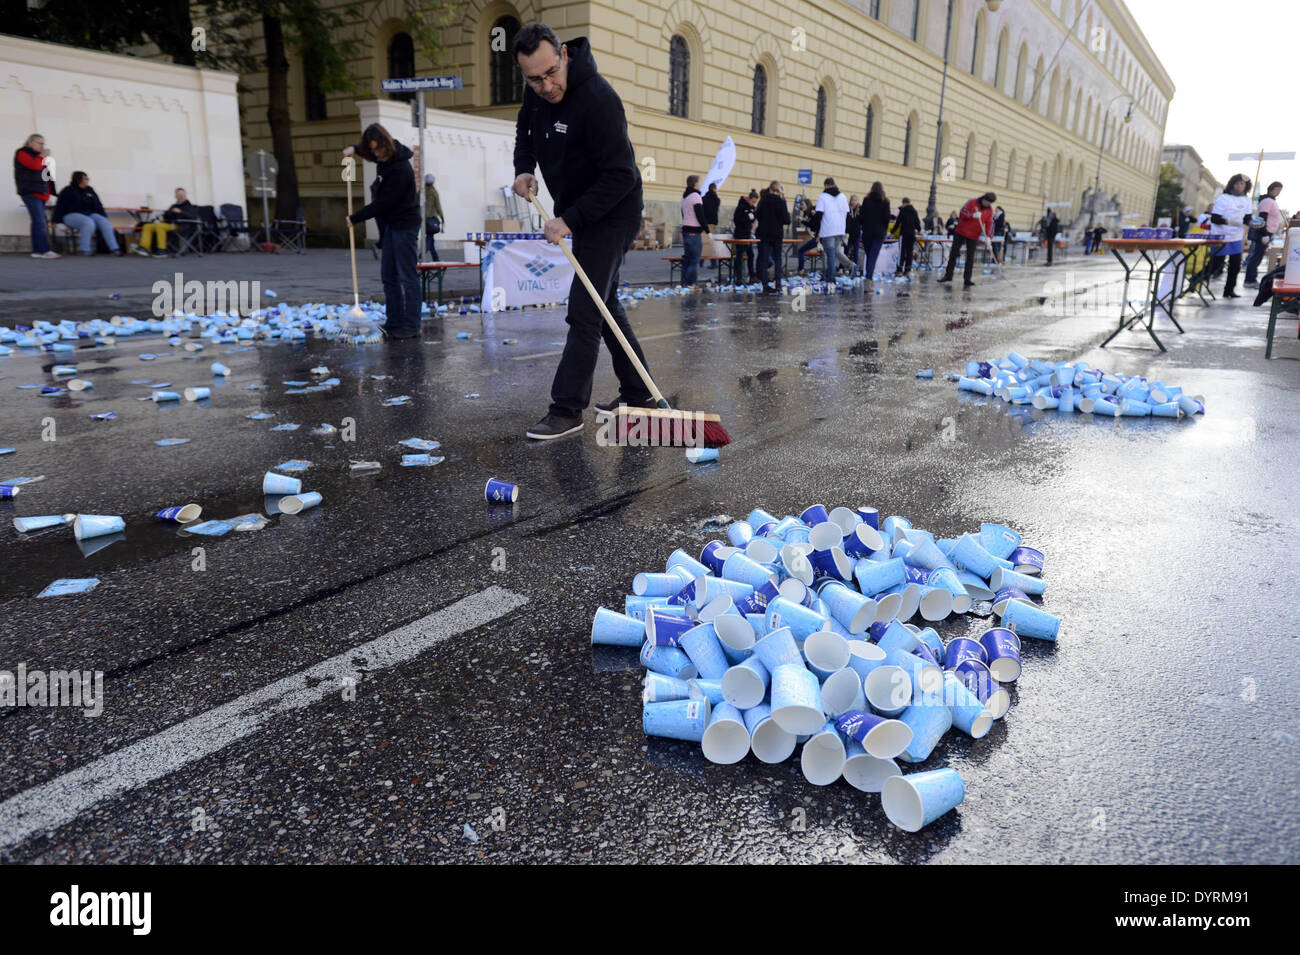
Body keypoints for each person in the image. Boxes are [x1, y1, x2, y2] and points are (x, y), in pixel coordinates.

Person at [510, 22, 654, 439]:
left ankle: (567, 408)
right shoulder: (535, 91)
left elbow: (622, 176)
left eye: (551, 73)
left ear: (564, 55)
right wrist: (524, 168)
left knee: (585, 309)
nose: (545, 85)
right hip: (578, 210)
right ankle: (639, 393)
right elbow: (526, 128)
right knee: (603, 301)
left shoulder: (599, 99)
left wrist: (568, 219)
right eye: (534, 78)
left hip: (615, 212)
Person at [344, 123, 421, 337]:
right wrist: (354, 149)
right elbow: (367, 153)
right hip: (390, 225)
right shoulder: (381, 158)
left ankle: (412, 326)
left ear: (387, 145)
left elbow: (383, 203)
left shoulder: (400, 168)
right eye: (373, 150)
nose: (377, 154)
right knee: (389, 275)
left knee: (407, 276)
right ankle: (394, 321)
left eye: (380, 149)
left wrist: (355, 218)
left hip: (405, 224)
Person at [52, 171, 122, 256]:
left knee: (104, 221)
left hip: (89, 214)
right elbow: (60, 206)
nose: (87, 180)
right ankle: (84, 249)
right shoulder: (68, 190)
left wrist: (103, 215)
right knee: (88, 222)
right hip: (71, 215)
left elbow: (98, 204)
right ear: (79, 179)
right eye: (85, 178)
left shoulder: (89, 190)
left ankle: (114, 249)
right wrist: (58, 221)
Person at [14, 133, 59, 259]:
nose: (42, 146)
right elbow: (34, 166)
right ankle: (45, 250)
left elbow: (46, 175)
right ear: (31, 142)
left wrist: (50, 192)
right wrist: (42, 156)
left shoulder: (39, 157)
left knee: (37, 222)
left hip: (40, 193)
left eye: (43, 143)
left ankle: (37, 251)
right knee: (40, 222)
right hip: (30, 192)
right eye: (40, 143)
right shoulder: (22, 153)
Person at [938, 191, 995, 288]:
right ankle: (948, 275)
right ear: (984, 199)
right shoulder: (972, 202)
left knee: (970, 257)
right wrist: (972, 215)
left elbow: (990, 223)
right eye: (987, 202)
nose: (988, 204)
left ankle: (967, 279)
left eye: (990, 203)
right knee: (954, 253)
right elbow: (962, 212)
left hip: (974, 235)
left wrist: (989, 237)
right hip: (961, 231)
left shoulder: (989, 210)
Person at [1209, 173, 1252, 298]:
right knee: (1215, 266)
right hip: (1221, 236)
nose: (1239, 186)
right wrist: (1229, 222)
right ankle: (1194, 281)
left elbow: (1247, 218)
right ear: (1232, 184)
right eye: (1237, 183)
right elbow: (1215, 218)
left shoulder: (1247, 200)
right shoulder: (1224, 198)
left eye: (1242, 184)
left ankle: (1229, 290)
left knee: (1235, 266)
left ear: (1246, 186)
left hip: (1236, 237)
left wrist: (1254, 223)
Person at [1244, 180, 1283, 288]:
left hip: (1267, 233)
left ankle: (1251, 278)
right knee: (1256, 257)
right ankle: (1249, 280)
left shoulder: (1271, 201)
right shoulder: (1267, 201)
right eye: (1278, 190)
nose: (1279, 192)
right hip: (1263, 233)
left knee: (1258, 256)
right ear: (1272, 189)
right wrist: (1264, 234)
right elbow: (1262, 217)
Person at [134, 187, 193, 257]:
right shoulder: (174, 206)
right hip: (168, 224)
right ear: (175, 196)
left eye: (182, 195)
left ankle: (162, 250)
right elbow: (166, 215)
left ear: (185, 195)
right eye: (178, 195)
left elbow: (192, 216)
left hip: (180, 225)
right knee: (147, 226)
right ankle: (144, 247)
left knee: (160, 226)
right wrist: (169, 213)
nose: (180, 197)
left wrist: (181, 212)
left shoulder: (189, 206)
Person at [756, 180, 790, 294]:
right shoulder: (781, 202)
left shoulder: (763, 201)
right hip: (777, 234)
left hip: (765, 234)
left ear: (770, 189)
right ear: (779, 190)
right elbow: (786, 220)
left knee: (764, 260)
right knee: (778, 259)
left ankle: (765, 284)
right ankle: (778, 284)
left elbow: (757, 216)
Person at [814, 177, 848, 283]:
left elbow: (819, 214)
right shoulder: (843, 196)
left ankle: (831, 278)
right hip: (840, 229)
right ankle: (831, 276)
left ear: (826, 186)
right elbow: (847, 213)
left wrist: (817, 231)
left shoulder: (823, 197)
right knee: (834, 254)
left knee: (831, 255)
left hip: (828, 229)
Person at [859, 181, 891, 286]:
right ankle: (869, 279)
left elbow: (862, 216)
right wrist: (884, 230)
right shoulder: (885, 201)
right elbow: (887, 218)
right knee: (873, 256)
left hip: (867, 232)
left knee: (869, 256)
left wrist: (864, 226)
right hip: (879, 233)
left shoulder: (866, 200)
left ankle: (868, 277)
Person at [680, 175, 707, 287]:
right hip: (694, 231)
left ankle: (684, 284)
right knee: (695, 260)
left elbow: (683, 213)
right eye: (699, 183)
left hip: (686, 230)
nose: (700, 185)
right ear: (695, 184)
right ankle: (692, 284)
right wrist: (707, 229)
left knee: (687, 259)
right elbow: (700, 214)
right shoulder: (696, 196)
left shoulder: (684, 197)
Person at [731, 190, 757, 283]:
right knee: (740, 255)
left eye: (755, 202)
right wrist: (747, 217)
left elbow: (752, 219)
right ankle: (738, 277)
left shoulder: (751, 208)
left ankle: (752, 276)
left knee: (751, 255)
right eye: (753, 201)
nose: (753, 204)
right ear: (749, 199)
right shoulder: (741, 207)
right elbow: (737, 220)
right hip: (740, 234)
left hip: (747, 234)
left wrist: (752, 217)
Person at [894, 197, 921, 275]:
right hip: (911, 234)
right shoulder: (914, 211)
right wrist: (919, 230)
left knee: (901, 252)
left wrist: (892, 232)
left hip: (903, 234)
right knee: (909, 252)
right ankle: (907, 270)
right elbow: (917, 223)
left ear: (904, 203)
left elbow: (898, 222)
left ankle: (899, 269)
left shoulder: (902, 211)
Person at [423, 173, 444, 261]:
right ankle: (421, 256)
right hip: (431, 218)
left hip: (422, 218)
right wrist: (442, 217)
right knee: (429, 238)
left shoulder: (421, 191)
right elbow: (438, 206)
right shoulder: (434, 192)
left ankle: (436, 259)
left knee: (430, 239)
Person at [795, 197, 819, 272]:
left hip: (819, 237)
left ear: (807, 204)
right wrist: (802, 220)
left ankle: (801, 269)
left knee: (801, 251)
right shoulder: (808, 213)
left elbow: (814, 225)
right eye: (801, 205)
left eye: (803, 204)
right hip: (817, 237)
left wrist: (802, 220)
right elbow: (811, 224)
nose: (801, 206)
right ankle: (801, 269)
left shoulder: (813, 210)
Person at [701, 183, 721, 271]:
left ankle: (700, 262)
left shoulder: (703, 199)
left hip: (705, 223)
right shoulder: (717, 199)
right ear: (714, 189)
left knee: (703, 243)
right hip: (713, 223)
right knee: (711, 243)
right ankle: (713, 262)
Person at [844, 195, 862, 276]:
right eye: (853, 200)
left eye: (856, 200)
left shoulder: (859, 210)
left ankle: (855, 268)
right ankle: (844, 268)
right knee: (846, 252)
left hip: (857, 234)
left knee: (856, 252)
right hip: (848, 234)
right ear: (850, 201)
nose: (854, 202)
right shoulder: (847, 209)